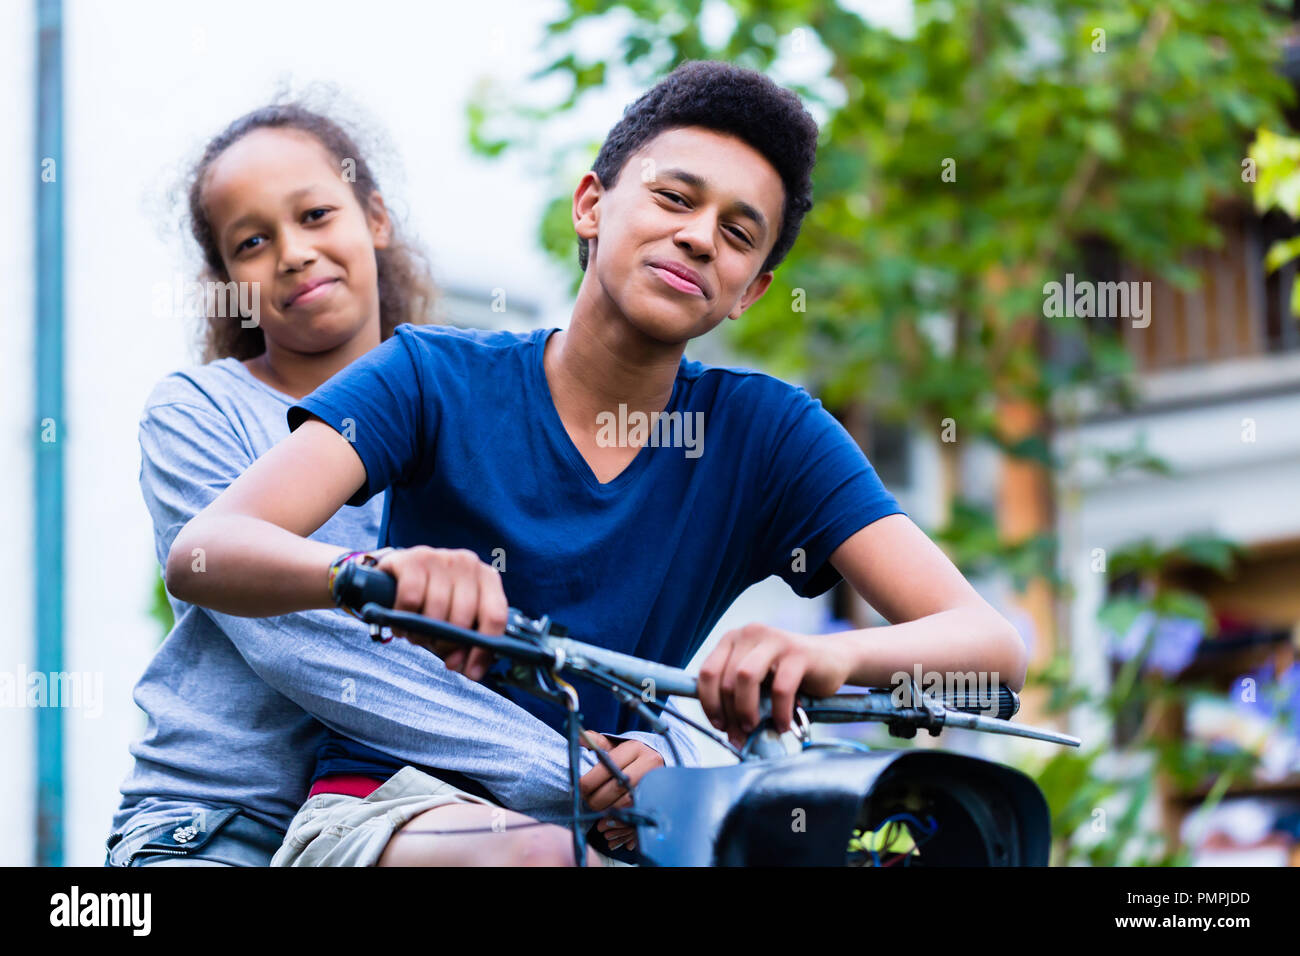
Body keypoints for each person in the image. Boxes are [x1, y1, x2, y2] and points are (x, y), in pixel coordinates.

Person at [166, 61, 1028, 867]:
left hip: (606, 822)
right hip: (386, 809)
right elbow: (207, 551)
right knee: (551, 856)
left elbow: (989, 646)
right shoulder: (431, 375)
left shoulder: (771, 435)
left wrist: (830, 662)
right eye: (674, 197)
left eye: (737, 233)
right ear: (591, 205)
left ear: (751, 289)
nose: (697, 238)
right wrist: (374, 571)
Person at [106, 102, 641, 867]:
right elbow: (305, 641)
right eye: (252, 242)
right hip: (220, 823)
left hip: (423, 814)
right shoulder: (198, 411)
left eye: (316, 214)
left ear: (376, 218)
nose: (293, 253)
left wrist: (646, 753)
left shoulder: (457, 409)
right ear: (227, 281)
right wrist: (570, 767)